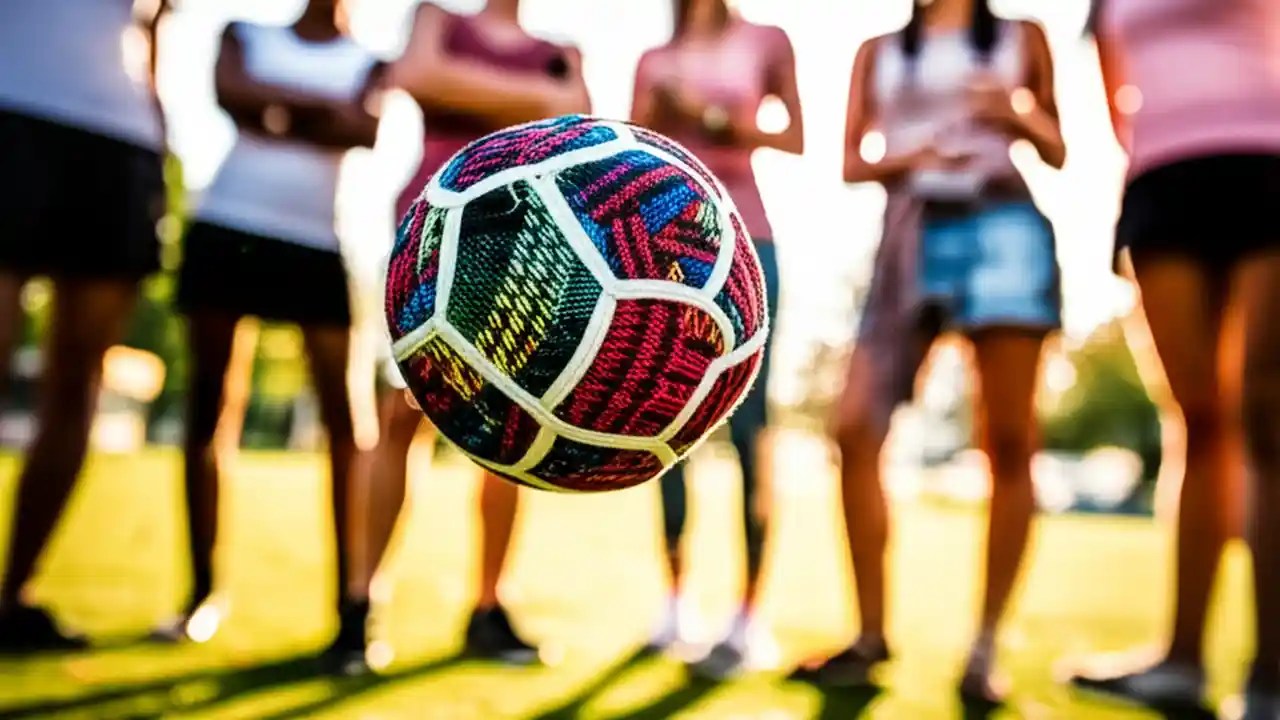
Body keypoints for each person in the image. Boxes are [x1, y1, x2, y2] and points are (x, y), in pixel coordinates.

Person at [795, 0, 1065, 703]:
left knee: (1008, 442)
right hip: (910, 230)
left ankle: (984, 648)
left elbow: (1057, 145)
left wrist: (1011, 111)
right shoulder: (880, 50)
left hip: (1004, 225)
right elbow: (853, 160)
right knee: (853, 428)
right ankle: (869, 635)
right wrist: (914, 155)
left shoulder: (1020, 36)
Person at [350, 0, 591, 666]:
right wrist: (531, 101)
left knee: (517, 428)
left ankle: (488, 607)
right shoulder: (437, 17)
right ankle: (360, 602)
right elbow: (417, 74)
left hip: (527, 250)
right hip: (432, 237)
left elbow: (578, 127)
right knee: (400, 418)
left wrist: (474, 93)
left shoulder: (559, 45)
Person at [158, 0, 385, 669]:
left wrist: (278, 107)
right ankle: (201, 590)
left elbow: (363, 127)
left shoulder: (369, 62)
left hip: (318, 242)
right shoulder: (244, 33)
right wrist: (318, 111)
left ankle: (352, 609)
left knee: (347, 422)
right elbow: (232, 92)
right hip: (227, 224)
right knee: (207, 409)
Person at [1071, 0, 1280, 713]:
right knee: (1197, 420)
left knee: (1265, 415)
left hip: (1267, 161)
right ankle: (1182, 662)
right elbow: (1112, 93)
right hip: (1162, 182)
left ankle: (1270, 676)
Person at [629, 0, 803, 680]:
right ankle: (674, 602)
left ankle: (749, 613)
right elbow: (632, 151)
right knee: (661, 422)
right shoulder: (653, 57)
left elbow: (797, 137)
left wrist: (708, 117)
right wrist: (660, 112)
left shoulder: (768, 39)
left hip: (745, 244)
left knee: (751, 423)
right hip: (660, 250)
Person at [0, 0, 170, 652]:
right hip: (12, 108)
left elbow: (156, 26)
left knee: (76, 382)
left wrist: (161, 139)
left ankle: (16, 594)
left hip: (120, 140)